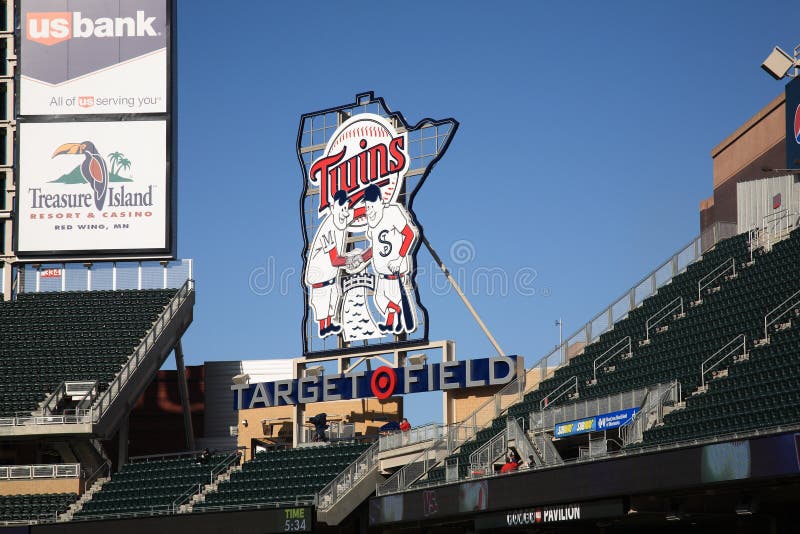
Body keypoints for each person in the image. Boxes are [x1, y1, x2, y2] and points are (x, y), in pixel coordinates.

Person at [359, 184, 418, 334]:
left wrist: (399, 259)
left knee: (392, 298)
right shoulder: (372, 223)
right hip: (381, 273)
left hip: (396, 273)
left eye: (371, 204)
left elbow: (410, 234)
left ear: (380, 200)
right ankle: (393, 321)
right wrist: (361, 258)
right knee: (380, 299)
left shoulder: (392, 212)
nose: (369, 209)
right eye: (367, 205)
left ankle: (395, 320)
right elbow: (376, 248)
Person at [304, 190, 353, 338]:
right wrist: (353, 260)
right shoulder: (328, 228)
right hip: (321, 280)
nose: (345, 213)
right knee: (323, 306)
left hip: (331, 279)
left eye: (347, 209)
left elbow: (354, 214)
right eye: (343, 209)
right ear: (333, 207)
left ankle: (328, 324)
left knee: (332, 301)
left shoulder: (338, 223)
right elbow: (335, 260)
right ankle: (324, 326)